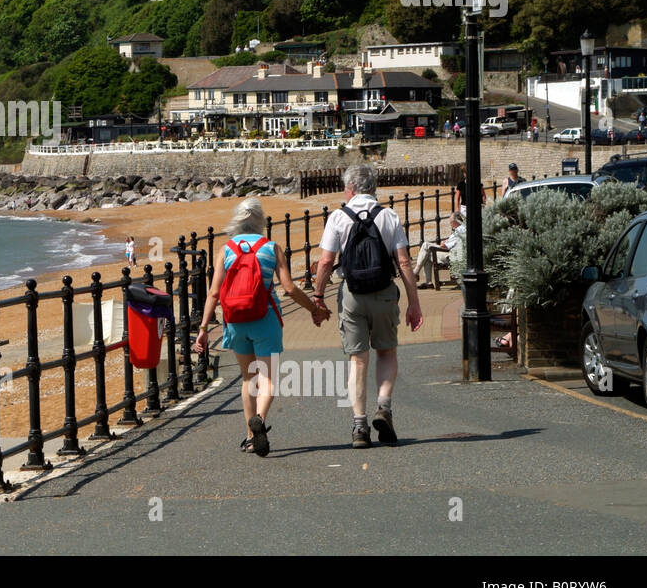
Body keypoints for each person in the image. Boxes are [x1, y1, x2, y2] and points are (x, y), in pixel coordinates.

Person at [192, 197, 327, 457]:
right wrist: (314, 310)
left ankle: (250, 437)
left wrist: (204, 328)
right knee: (267, 379)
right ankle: (261, 422)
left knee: (247, 379)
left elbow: (213, 293)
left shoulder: (226, 250)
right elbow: (288, 288)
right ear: (260, 220)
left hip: (235, 322)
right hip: (265, 319)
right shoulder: (271, 248)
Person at [312, 164, 424, 449]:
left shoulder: (338, 217)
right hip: (385, 292)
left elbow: (325, 262)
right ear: (374, 188)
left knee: (357, 359)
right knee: (386, 352)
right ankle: (384, 407)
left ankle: (359, 426)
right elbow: (404, 262)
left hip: (352, 295)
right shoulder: (389, 216)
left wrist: (318, 297)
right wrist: (414, 303)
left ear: (350, 188)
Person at [413, 212, 464, 289]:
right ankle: (428, 282)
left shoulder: (459, 230)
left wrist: (444, 243)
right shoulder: (462, 229)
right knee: (427, 253)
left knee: (426, 246)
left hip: (451, 256)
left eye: (451, 221)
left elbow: (445, 246)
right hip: (455, 254)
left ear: (456, 221)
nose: (450, 223)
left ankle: (416, 273)